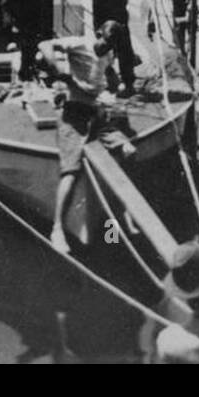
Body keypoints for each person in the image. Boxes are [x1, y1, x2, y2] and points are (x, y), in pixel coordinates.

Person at [38, 21, 135, 254]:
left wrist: (115, 85)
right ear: (98, 34)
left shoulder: (108, 54)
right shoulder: (78, 43)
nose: (107, 46)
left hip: (97, 115)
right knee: (71, 172)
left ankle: (122, 214)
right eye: (105, 40)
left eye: (112, 44)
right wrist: (58, 70)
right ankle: (58, 229)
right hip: (74, 114)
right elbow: (44, 44)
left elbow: (107, 74)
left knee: (129, 151)